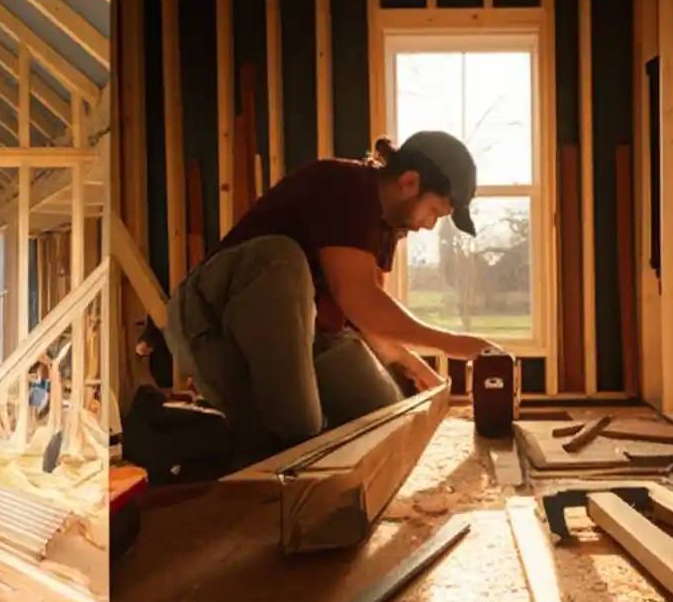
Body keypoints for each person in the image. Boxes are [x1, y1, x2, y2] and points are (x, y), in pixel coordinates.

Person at [163, 130, 502, 467]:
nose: (429, 225)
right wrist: (453, 344)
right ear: (410, 183)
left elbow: (369, 321)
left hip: (304, 331)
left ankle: (289, 437)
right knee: (298, 427)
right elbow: (357, 298)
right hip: (210, 318)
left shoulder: (386, 230)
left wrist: (423, 375)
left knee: (387, 418)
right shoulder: (346, 185)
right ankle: (276, 439)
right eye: (434, 212)